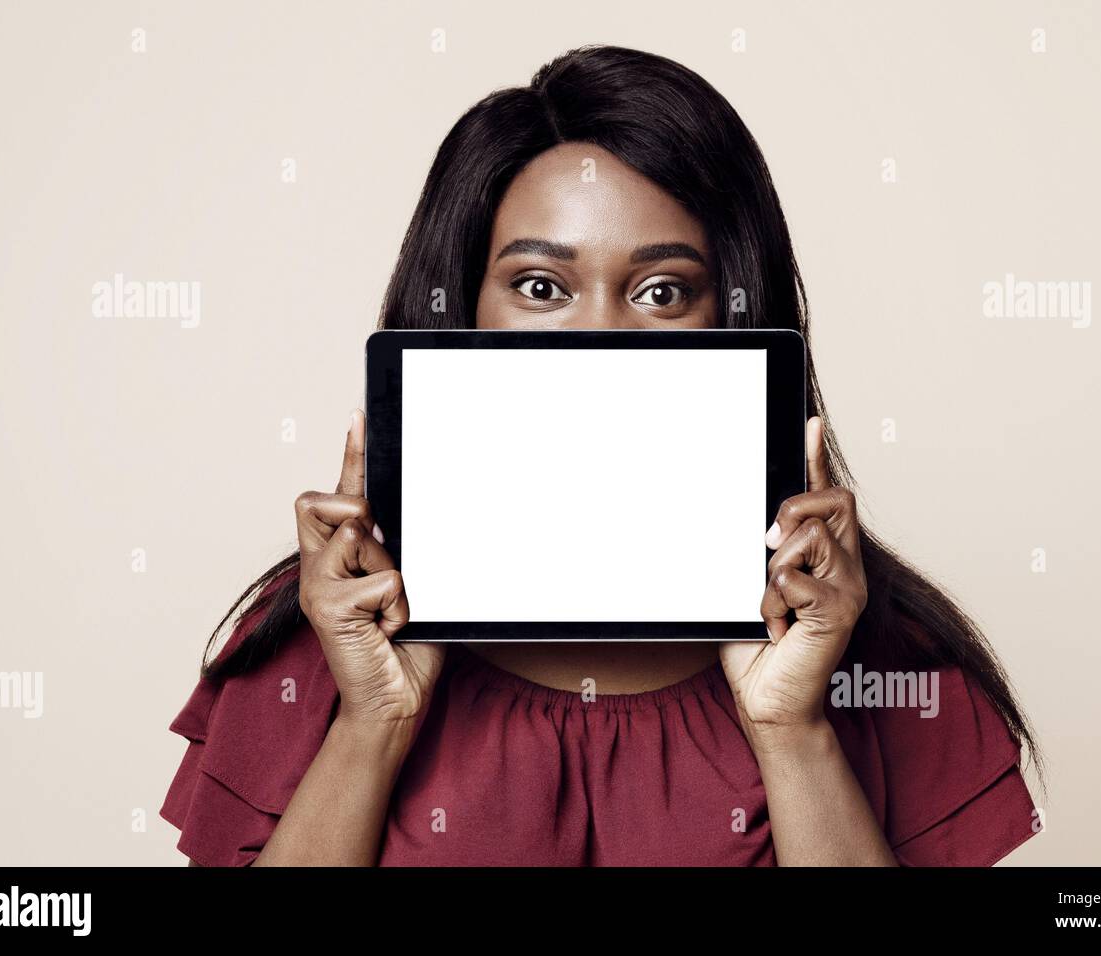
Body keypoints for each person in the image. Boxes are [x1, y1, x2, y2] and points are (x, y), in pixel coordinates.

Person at [161, 45, 1041, 866]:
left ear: (733, 317)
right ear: (462, 312)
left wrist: (793, 729)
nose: (600, 340)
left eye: (663, 291)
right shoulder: (323, 632)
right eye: (541, 287)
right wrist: (373, 720)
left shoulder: (879, 656)